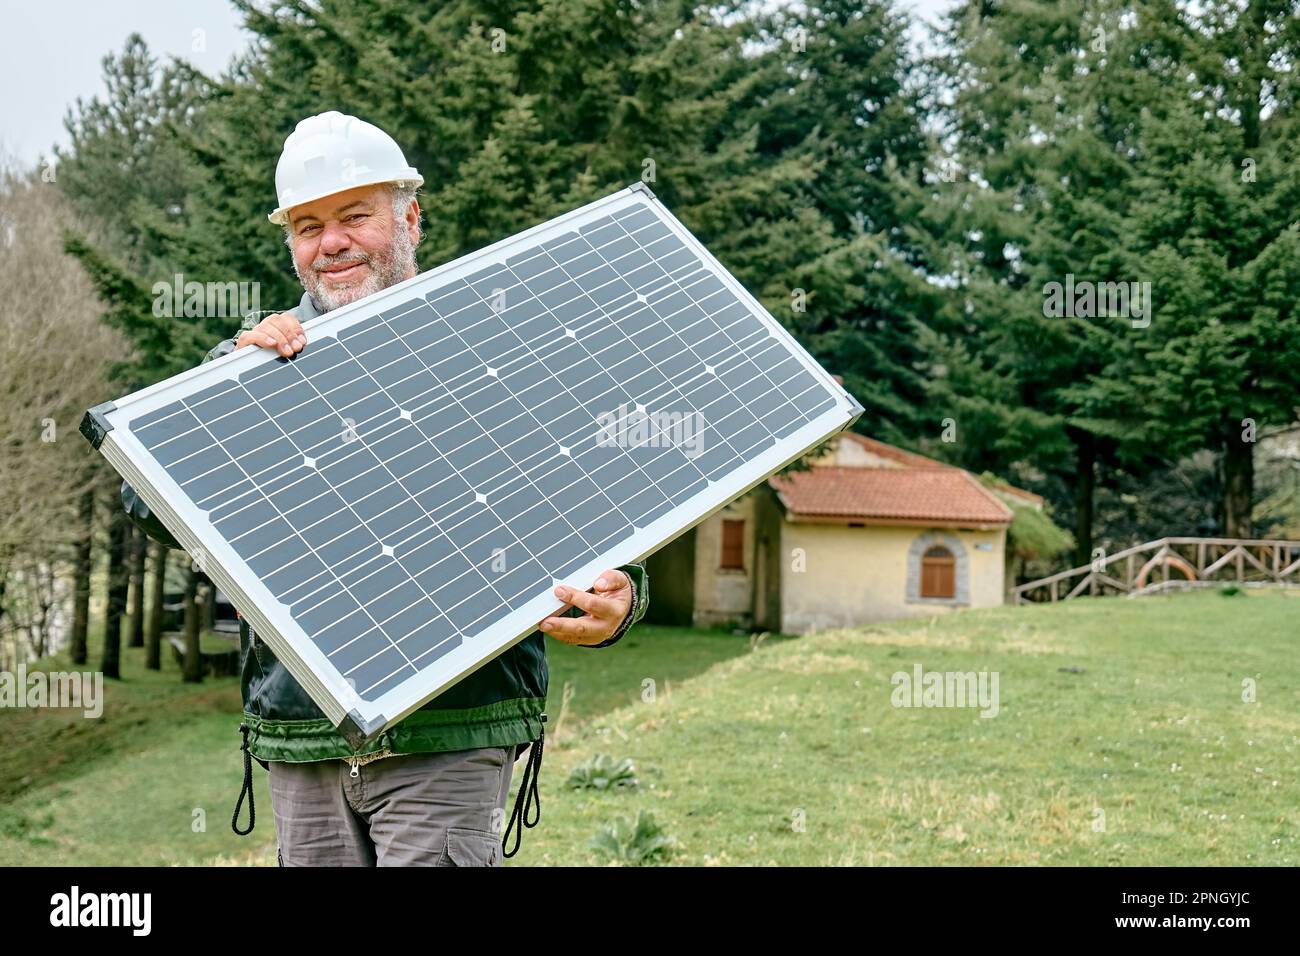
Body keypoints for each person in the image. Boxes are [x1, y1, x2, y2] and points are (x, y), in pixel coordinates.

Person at [122, 110, 650, 867]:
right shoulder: (253, 366)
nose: (330, 242)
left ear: (410, 217)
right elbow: (146, 505)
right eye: (308, 225)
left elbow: (596, 506)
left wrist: (624, 597)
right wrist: (224, 392)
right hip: (304, 738)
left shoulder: (495, 350)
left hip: (449, 731)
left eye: (354, 216)